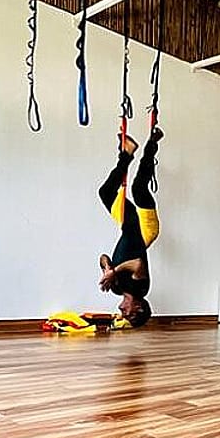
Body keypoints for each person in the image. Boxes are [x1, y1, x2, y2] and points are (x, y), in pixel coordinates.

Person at [97, 131, 160, 328]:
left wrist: (107, 268)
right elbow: (137, 264)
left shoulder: (116, 288)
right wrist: (114, 272)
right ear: (139, 307)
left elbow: (103, 257)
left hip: (127, 223)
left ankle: (127, 152)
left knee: (106, 192)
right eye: (130, 316)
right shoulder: (141, 288)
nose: (123, 314)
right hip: (144, 229)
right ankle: (152, 143)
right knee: (139, 188)